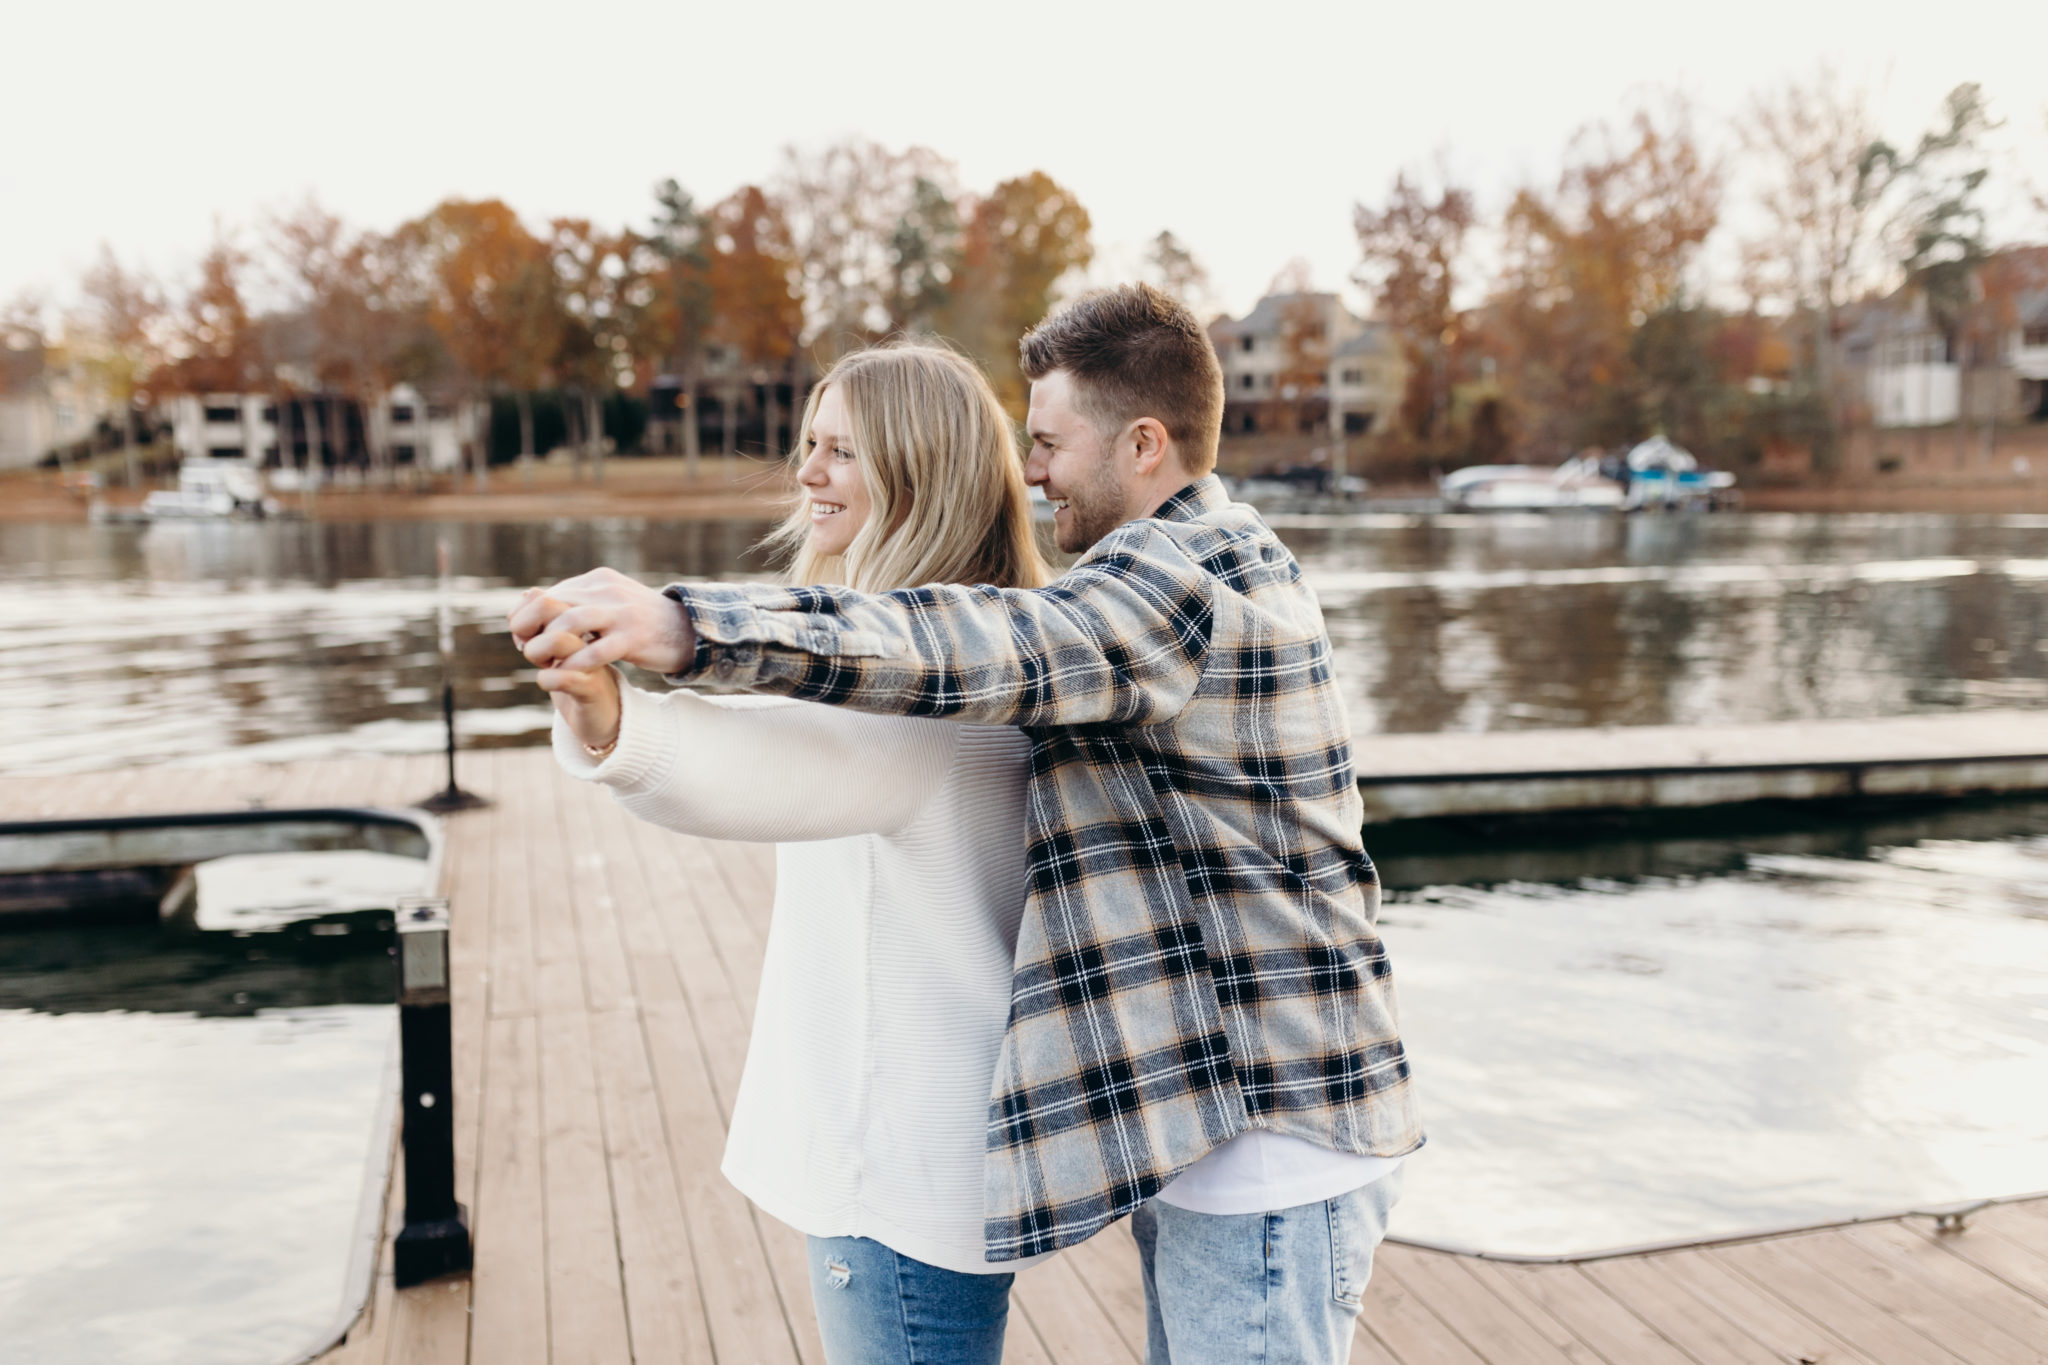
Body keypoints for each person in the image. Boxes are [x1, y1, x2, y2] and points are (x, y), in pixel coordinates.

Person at [513, 285, 1425, 1365]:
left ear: (1142, 444)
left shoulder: (1185, 581)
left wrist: (683, 627)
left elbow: (976, 645)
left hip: (1272, 1142)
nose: (1027, 468)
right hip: (1228, 1132)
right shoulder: (1179, 576)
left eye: (1047, 442)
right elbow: (964, 654)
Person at [524, 343, 1051, 1365]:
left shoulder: (927, 705)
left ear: (920, 472)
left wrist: (612, 724)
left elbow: (767, 765)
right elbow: (796, 726)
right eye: (810, 443)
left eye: (841, 451)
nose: (806, 471)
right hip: (935, 1160)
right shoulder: (986, 655)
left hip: (892, 1170)